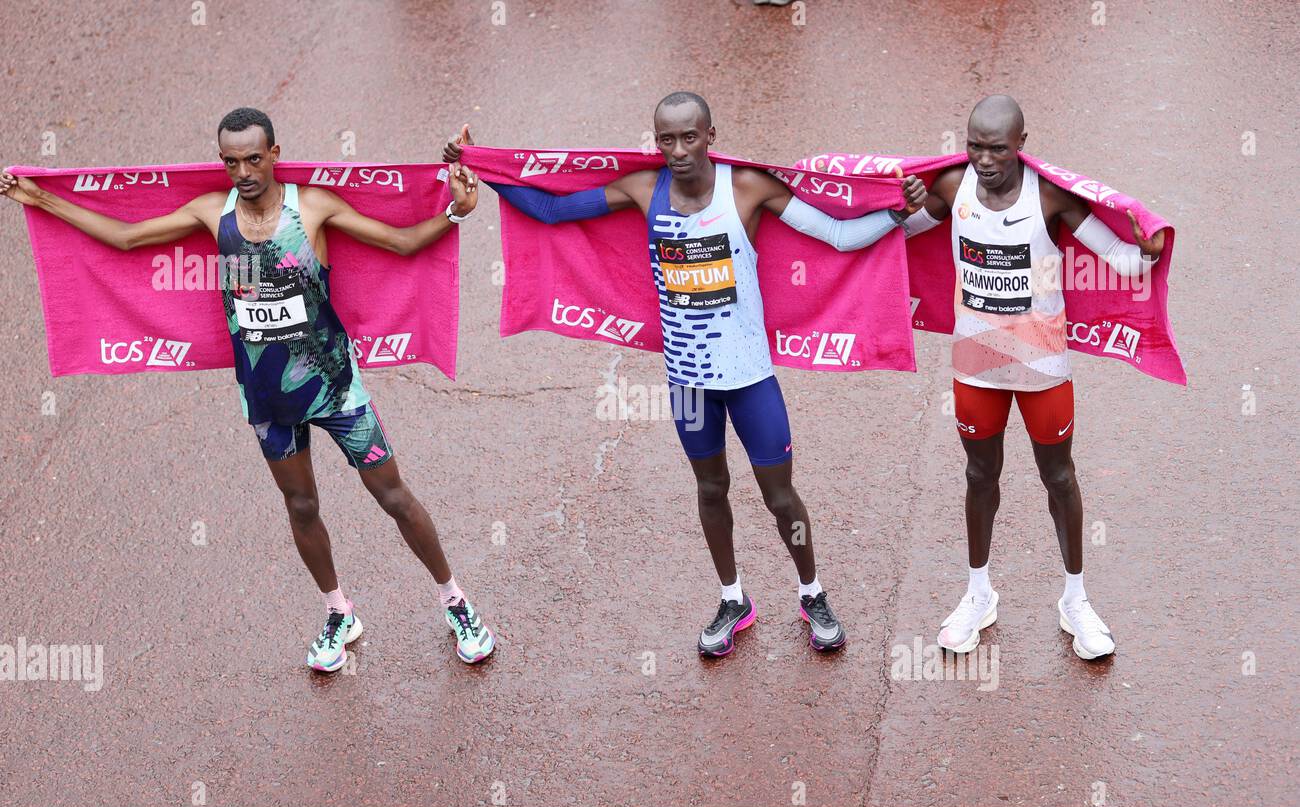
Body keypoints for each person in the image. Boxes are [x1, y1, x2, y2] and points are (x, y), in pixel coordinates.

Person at [2, 107, 496, 671]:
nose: (243, 171)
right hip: (266, 397)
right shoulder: (214, 214)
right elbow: (126, 238)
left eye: (254, 159)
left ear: (275, 155)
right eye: (232, 161)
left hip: (334, 387)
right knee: (302, 504)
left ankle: (455, 600)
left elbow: (403, 244)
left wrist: (458, 211)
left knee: (393, 496)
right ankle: (339, 613)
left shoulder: (311, 207)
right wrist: (40, 200)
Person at [444, 91, 925, 656]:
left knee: (780, 497)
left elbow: (839, 236)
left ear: (711, 135)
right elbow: (551, 210)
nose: (677, 150)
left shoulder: (746, 188)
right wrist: (480, 167)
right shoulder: (644, 190)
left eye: (688, 137)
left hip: (750, 379)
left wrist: (898, 212)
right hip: (689, 381)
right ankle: (732, 599)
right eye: (666, 139)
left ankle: (812, 592)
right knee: (711, 488)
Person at [899, 95, 1165, 660]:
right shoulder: (953, 188)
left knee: (1059, 478)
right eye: (975, 145)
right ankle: (978, 595)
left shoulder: (1050, 198)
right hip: (977, 363)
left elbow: (1124, 260)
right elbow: (901, 238)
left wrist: (1147, 250)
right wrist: (905, 210)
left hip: (1042, 365)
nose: (984, 159)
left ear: (1022, 143)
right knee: (979, 475)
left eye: (997, 147)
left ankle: (1076, 601)